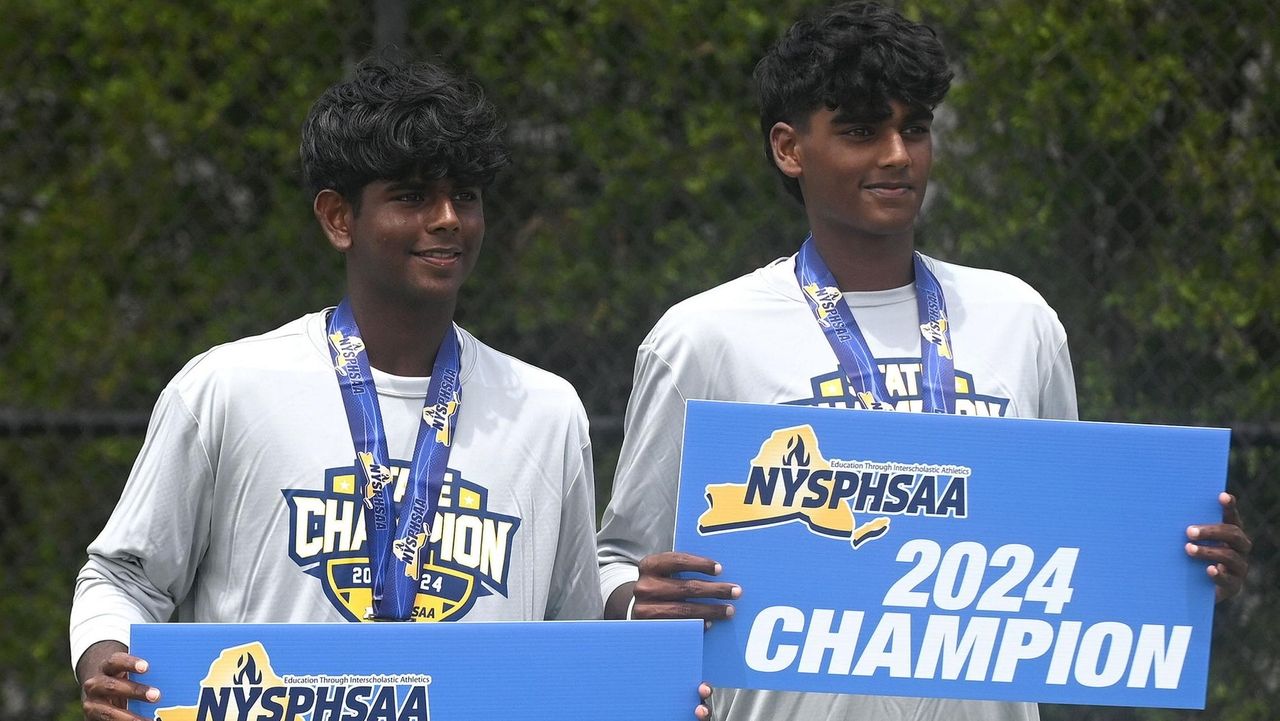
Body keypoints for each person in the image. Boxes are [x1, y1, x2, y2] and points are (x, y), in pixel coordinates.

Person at [595, 3, 1252, 720]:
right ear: (789, 148)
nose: (898, 156)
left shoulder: (1018, 319)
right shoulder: (704, 335)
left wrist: (1179, 568)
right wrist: (635, 603)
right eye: (861, 131)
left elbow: (1068, 544)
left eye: (915, 128)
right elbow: (611, 564)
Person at [72, 55, 603, 720]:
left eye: (465, 195)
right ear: (338, 218)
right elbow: (122, 576)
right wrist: (106, 661)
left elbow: (579, 636)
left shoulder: (547, 411)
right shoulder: (228, 389)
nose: (447, 218)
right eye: (412, 196)